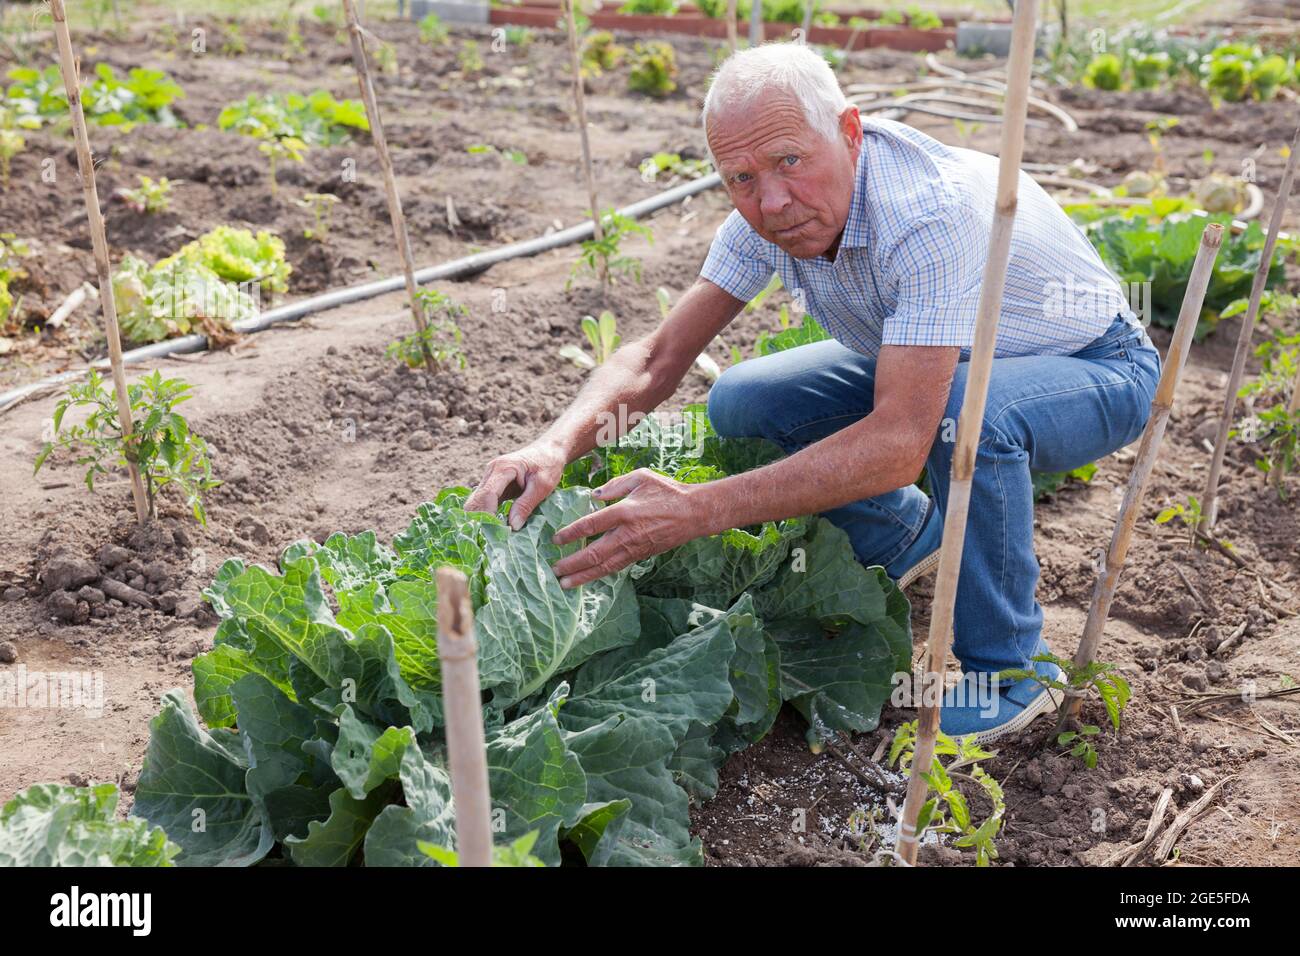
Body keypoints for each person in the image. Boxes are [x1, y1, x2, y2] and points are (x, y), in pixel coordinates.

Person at [466, 42, 1160, 743]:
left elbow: (898, 445)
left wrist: (696, 511)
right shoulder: (762, 218)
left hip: (1093, 366)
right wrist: (553, 445)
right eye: (739, 177)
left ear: (850, 132)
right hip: (939, 355)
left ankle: (1008, 670)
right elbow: (657, 356)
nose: (771, 201)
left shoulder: (926, 216)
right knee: (743, 401)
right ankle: (906, 534)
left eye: (790, 161)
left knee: (965, 417)